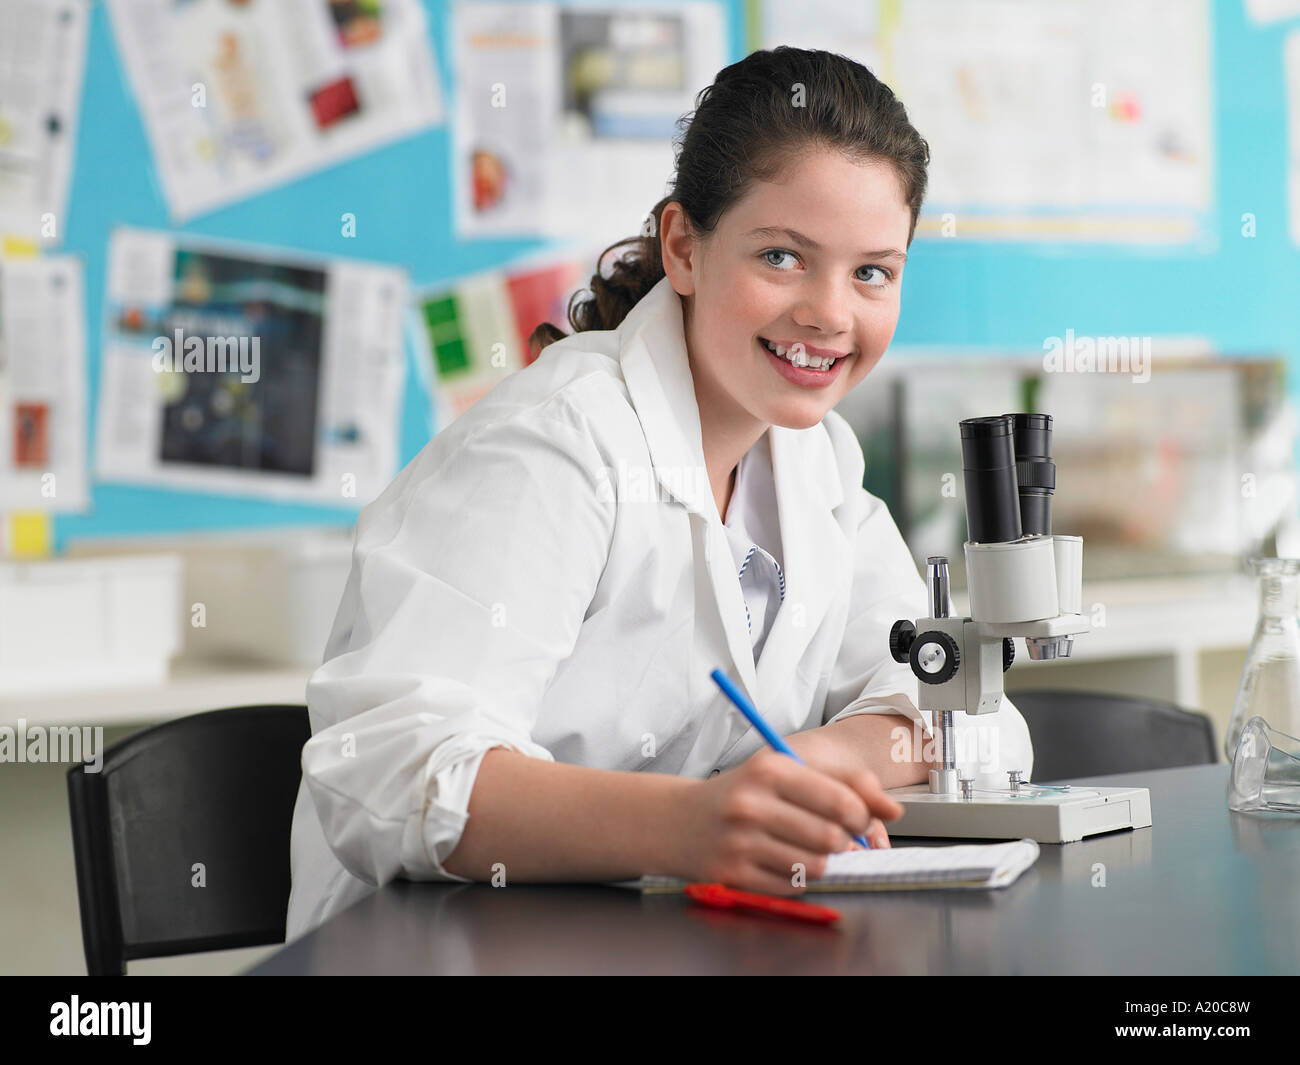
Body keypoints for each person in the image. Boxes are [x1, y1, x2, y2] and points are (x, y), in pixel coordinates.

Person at [286, 46, 1033, 940]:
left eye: (873, 271)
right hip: (432, 947)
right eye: (784, 256)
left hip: (647, 942)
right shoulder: (555, 443)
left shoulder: (814, 459)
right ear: (684, 246)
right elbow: (393, 771)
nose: (830, 313)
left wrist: (807, 766)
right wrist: (697, 823)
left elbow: (966, 715)